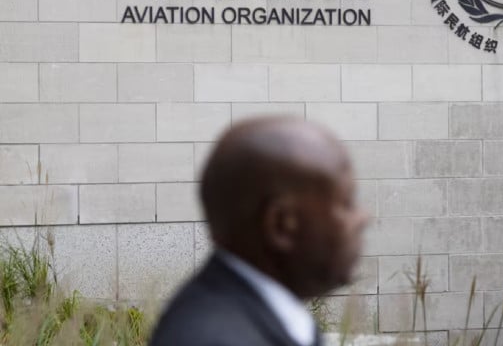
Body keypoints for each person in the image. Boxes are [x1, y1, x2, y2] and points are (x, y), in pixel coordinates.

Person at [150, 116, 369, 346]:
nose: (363, 218)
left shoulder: (266, 316)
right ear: (281, 225)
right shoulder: (212, 338)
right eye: (346, 204)